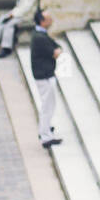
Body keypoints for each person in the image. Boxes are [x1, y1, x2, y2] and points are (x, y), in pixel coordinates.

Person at [30, 8, 62, 149]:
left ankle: (45, 129)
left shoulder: (41, 35)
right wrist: (58, 51)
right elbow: (55, 51)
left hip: (45, 74)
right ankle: (45, 136)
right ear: (42, 21)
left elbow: (56, 46)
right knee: (47, 106)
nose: (51, 21)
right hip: (44, 75)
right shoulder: (40, 38)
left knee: (49, 104)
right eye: (48, 19)